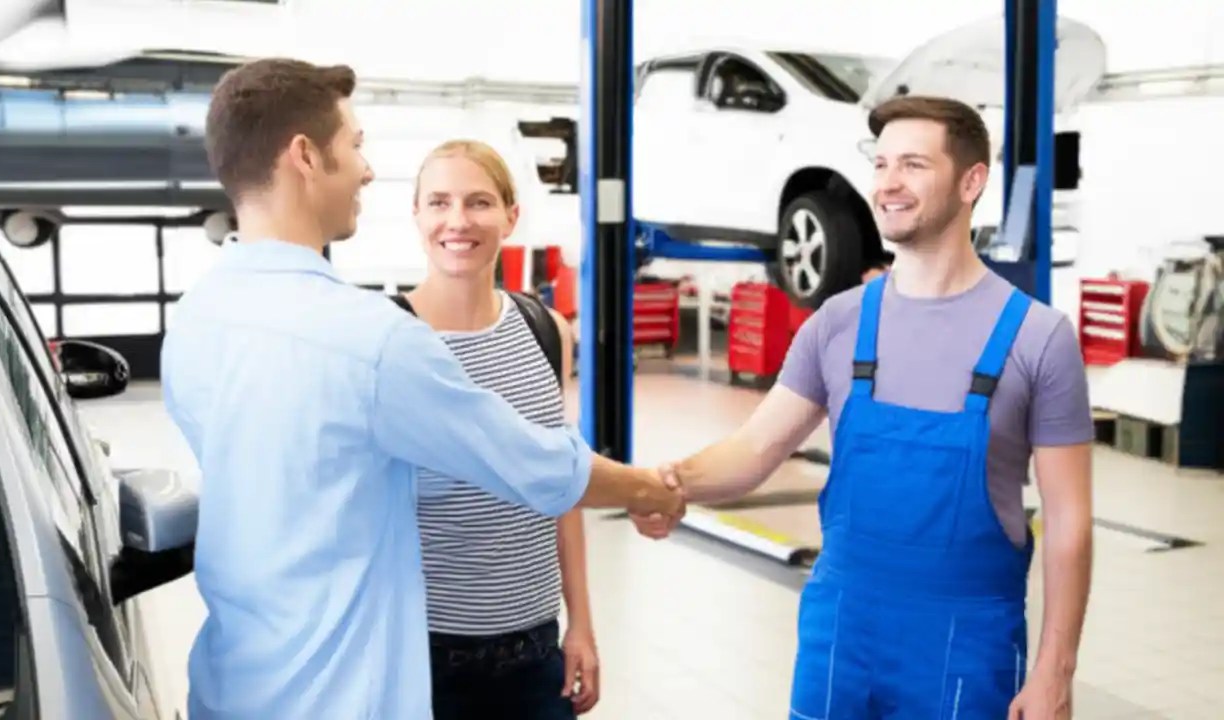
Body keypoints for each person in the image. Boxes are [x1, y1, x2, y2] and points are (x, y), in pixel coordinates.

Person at [161, 58, 684, 720]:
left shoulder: (199, 317)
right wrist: (651, 489)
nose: (367, 168)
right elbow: (534, 464)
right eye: (354, 145)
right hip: (339, 696)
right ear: (305, 156)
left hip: (232, 689)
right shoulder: (370, 339)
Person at [634, 95, 1094, 719]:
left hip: (966, 651)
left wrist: (1055, 672)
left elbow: (1069, 523)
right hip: (840, 641)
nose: (887, 184)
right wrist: (665, 485)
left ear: (972, 180)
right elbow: (754, 450)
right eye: (880, 165)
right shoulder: (838, 323)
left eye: (912, 165)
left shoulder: (1038, 337)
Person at [390, 139, 598, 718]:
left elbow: (563, 484)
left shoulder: (544, 328)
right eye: (439, 202)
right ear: (416, 216)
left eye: (479, 202)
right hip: (425, 658)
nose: (458, 221)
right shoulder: (388, 339)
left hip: (535, 654)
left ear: (511, 217)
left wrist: (579, 623)